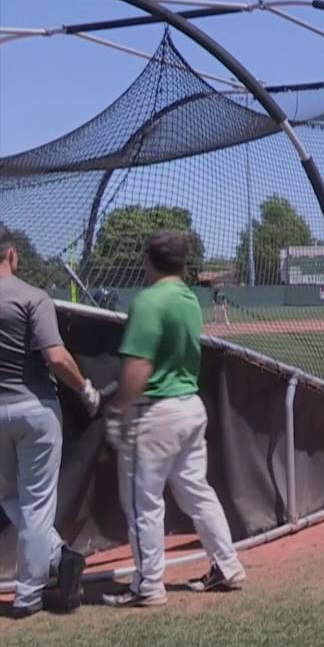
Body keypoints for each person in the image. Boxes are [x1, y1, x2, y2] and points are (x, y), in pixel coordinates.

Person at [102, 231, 246, 608]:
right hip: (189, 407)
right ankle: (227, 566)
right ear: (182, 263)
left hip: (155, 412)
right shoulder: (188, 299)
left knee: (142, 503)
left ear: (149, 260)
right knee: (197, 492)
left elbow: (138, 365)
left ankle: (148, 585)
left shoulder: (149, 300)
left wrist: (118, 408)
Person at [0, 226, 98, 617]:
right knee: (37, 505)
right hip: (35, 409)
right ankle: (29, 595)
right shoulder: (30, 296)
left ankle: (59, 556)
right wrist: (86, 389)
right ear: (11, 254)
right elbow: (56, 357)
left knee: (11, 498)